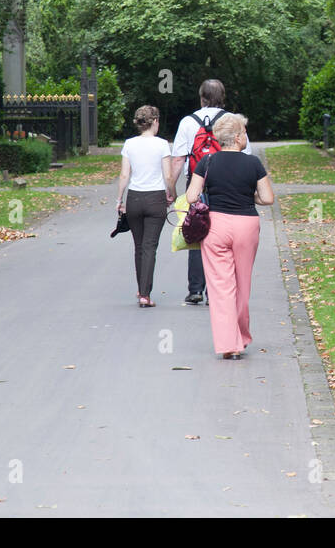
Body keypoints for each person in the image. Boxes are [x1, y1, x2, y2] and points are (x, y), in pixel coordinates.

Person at [184, 113, 274, 359]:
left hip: (216, 226)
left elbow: (192, 197)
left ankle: (229, 345)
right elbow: (267, 198)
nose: (246, 136)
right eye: (244, 132)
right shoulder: (253, 164)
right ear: (236, 137)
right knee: (242, 284)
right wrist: (247, 196)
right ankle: (242, 336)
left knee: (221, 286)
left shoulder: (207, 162)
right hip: (246, 225)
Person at [167, 79, 227, 305]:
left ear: (201, 97)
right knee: (220, 235)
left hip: (196, 184)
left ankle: (195, 289)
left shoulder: (188, 122)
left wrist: (171, 190)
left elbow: (178, 159)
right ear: (222, 96)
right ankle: (215, 291)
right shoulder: (231, 121)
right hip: (225, 185)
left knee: (195, 230)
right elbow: (245, 155)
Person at [116, 105, 175, 307]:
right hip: (155, 198)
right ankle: (145, 294)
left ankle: (141, 289)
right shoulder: (162, 145)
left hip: (134, 199)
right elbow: (168, 175)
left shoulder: (129, 144)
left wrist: (119, 199)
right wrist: (171, 193)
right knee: (150, 247)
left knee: (139, 246)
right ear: (155, 121)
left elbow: (125, 175)